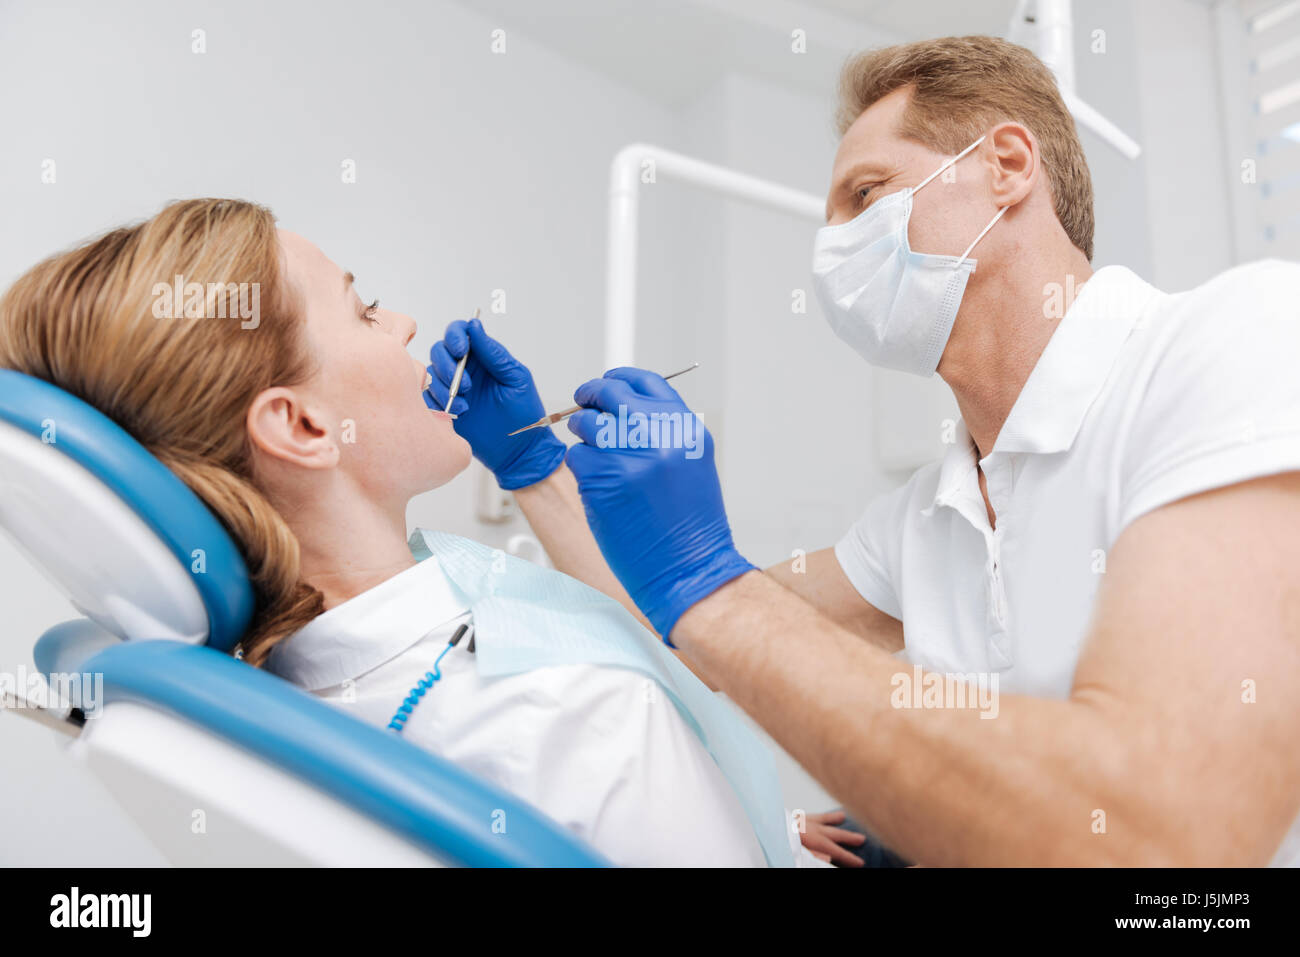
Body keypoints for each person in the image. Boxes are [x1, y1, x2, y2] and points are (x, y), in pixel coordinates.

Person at [435, 36, 1300, 866]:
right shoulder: (924, 516)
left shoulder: (1238, 338)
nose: (831, 249)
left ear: (1006, 167)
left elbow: (1167, 839)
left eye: (866, 194)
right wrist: (533, 469)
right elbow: (683, 633)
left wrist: (712, 580)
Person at [0, 197, 819, 868]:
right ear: (303, 426)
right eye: (364, 311)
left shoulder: (305, 682)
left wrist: (756, 824)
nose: (403, 322)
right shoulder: (576, 715)